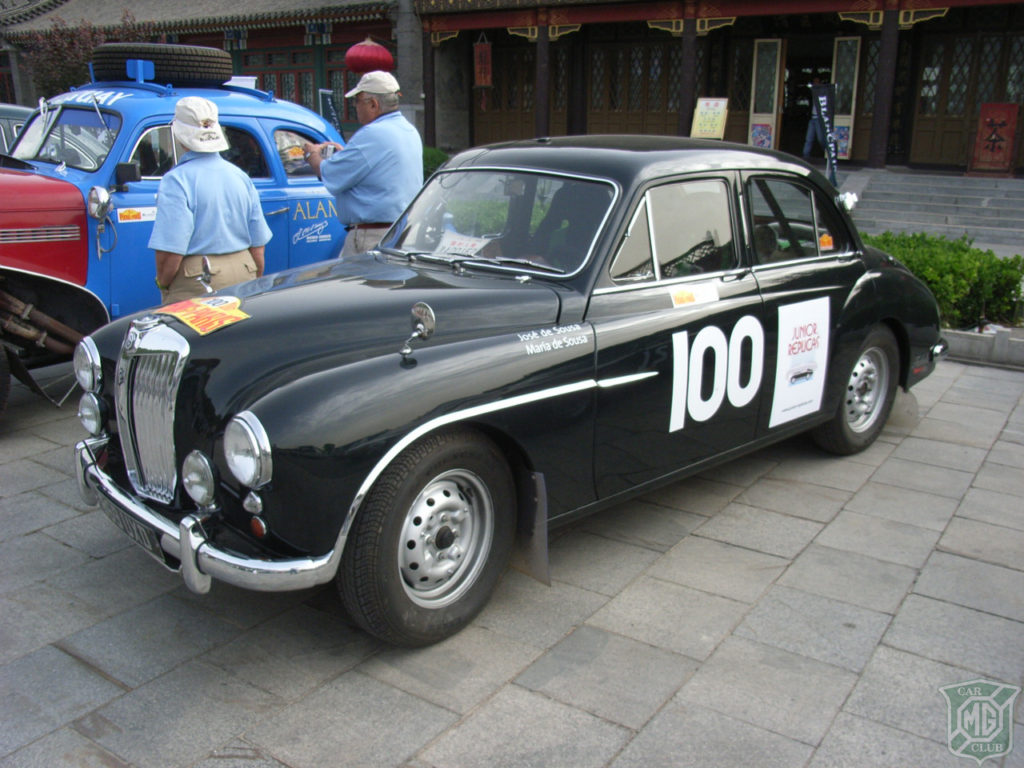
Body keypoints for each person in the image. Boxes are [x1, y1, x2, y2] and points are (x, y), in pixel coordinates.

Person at [149, 96, 271, 304]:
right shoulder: (239, 175)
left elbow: (171, 253)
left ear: (180, 136)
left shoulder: (177, 180)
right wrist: (254, 275)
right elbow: (258, 245)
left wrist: (163, 283)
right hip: (244, 267)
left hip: (198, 276)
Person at [303, 71, 423, 257]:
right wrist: (345, 155)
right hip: (401, 230)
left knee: (359, 285)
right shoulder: (409, 130)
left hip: (372, 235)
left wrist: (312, 153)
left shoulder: (372, 134)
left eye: (357, 101)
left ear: (373, 104)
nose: (355, 107)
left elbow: (328, 172)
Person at [802, 77, 827, 161]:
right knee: (809, 138)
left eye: (817, 82)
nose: (815, 84)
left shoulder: (823, 94)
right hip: (812, 118)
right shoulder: (812, 94)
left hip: (819, 118)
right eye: (814, 82)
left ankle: (827, 152)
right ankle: (805, 155)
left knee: (821, 138)